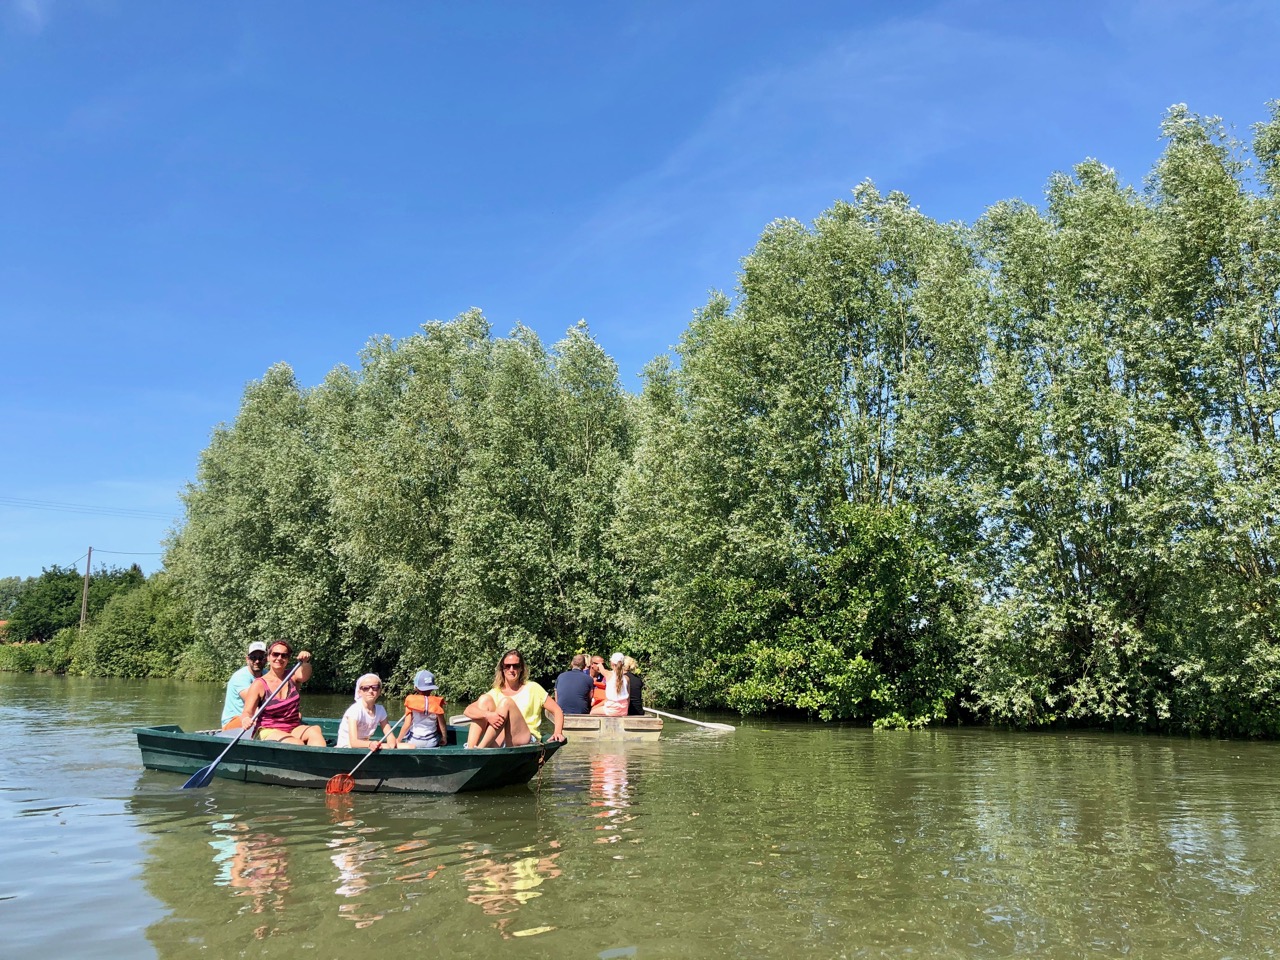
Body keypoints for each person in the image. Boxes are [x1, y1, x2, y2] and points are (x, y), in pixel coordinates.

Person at [464, 649, 566, 748]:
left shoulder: (533, 688)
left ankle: (480, 750)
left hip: (526, 739)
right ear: (502, 669)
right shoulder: (495, 692)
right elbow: (468, 710)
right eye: (507, 666)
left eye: (515, 666)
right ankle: (471, 750)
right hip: (501, 741)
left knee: (506, 702)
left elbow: (557, 710)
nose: (511, 670)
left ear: (521, 668)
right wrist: (488, 715)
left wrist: (558, 732)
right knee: (484, 699)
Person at [239, 640, 326, 746]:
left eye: (284, 655)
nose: (279, 658)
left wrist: (305, 662)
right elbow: (247, 712)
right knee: (296, 743)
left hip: (293, 728)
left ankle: (319, 761)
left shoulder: (292, 675)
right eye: (275, 654)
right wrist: (246, 719)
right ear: (268, 657)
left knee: (315, 731)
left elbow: (304, 676)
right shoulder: (259, 684)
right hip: (268, 730)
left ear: (288, 659)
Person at [337, 673, 399, 749]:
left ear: (379, 691)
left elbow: (390, 735)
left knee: (409, 746)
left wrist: (391, 745)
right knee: (386, 747)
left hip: (367, 745)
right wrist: (371, 744)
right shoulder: (355, 710)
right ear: (359, 692)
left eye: (375, 687)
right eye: (365, 688)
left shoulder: (380, 710)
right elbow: (353, 742)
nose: (370, 691)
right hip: (347, 746)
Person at [221, 641, 267, 729]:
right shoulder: (240, 677)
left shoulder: (267, 674)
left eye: (261, 658)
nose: (257, 661)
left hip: (254, 718)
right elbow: (253, 703)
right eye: (253, 657)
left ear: (266, 659)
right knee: (265, 720)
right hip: (234, 721)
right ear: (247, 659)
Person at [397, 669, 447, 749]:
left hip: (414, 741)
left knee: (407, 735)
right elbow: (442, 723)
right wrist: (444, 737)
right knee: (437, 735)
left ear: (416, 687)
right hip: (431, 742)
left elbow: (407, 725)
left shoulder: (410, 701)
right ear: (432, 688)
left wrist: (398, 740)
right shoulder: (437, 702)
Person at [590, 652, 630, 717]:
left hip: (612, 709)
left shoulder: (608, 674)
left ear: (612, 663)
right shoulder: (626, 678)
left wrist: (599, 664)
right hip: (624, 710)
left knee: (592, 712)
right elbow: (628, 698)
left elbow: (601, 670)